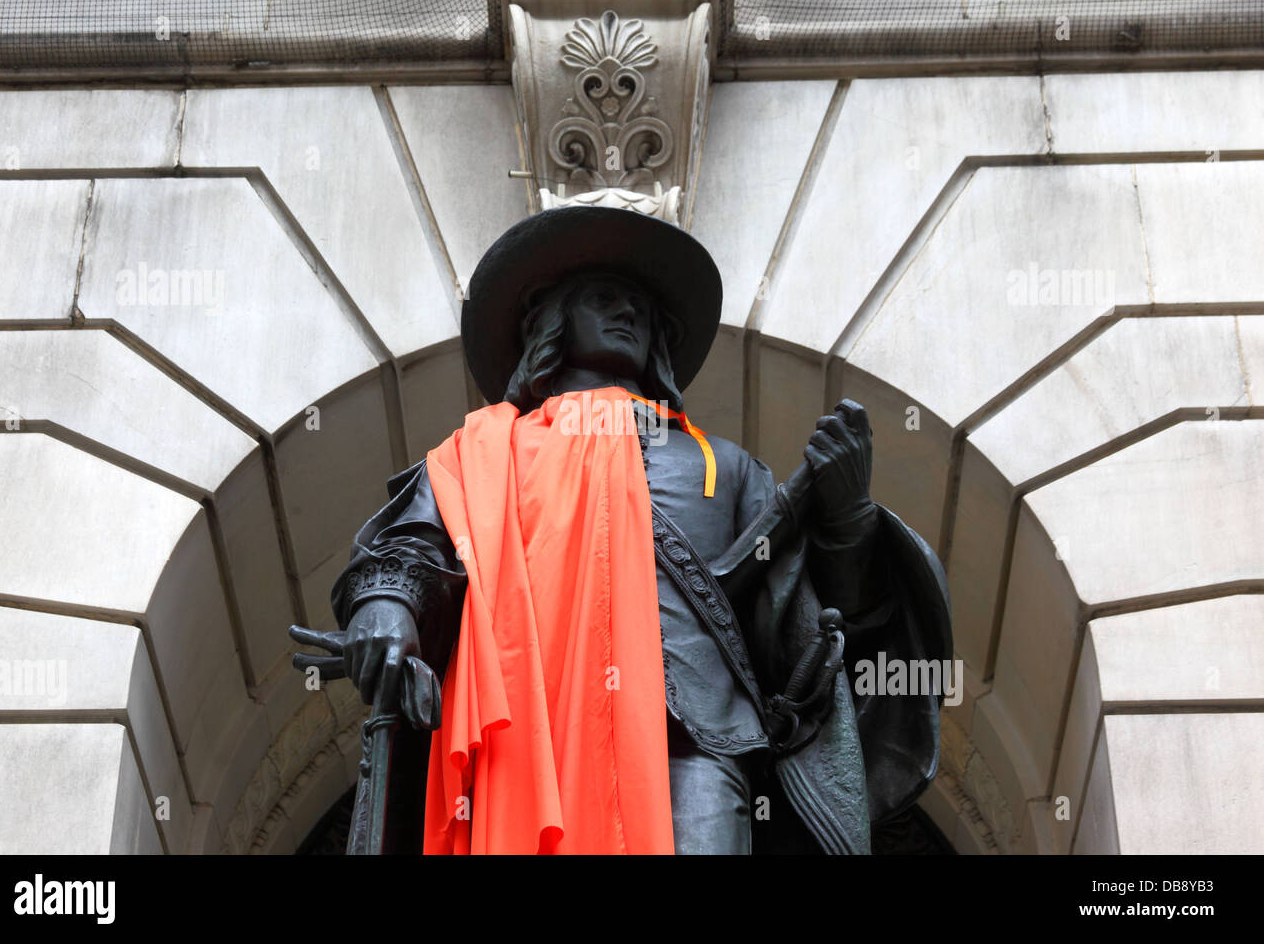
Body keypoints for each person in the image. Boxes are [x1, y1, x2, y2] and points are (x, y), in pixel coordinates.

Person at [292, 205, 952, 854]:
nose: (629, 312)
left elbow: (807, 624)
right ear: (547, 321)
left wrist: (846, 521)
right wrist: (387, 610)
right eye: (604, 296)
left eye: (643, 307)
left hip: (698, 740)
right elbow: (411, 543)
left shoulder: (724, 466)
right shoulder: (483, 454)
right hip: (532, 736)